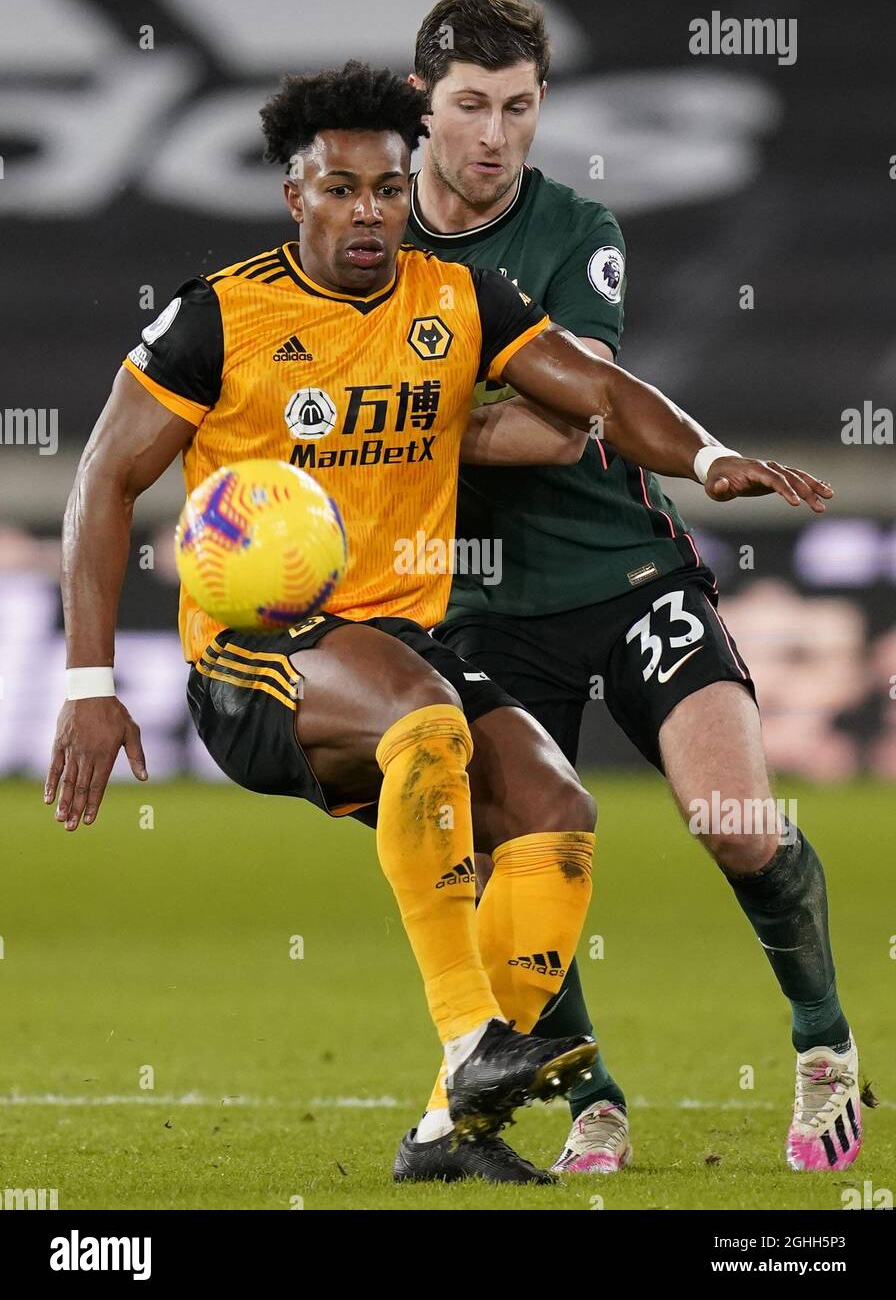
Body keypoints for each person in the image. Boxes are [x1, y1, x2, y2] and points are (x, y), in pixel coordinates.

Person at [45, 62, 833, 1181]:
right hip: (255, 660)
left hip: (396, 651)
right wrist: (87, 686)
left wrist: (706, 457)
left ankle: (442, 1132)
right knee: (426, 718)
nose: (365, 210)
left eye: (384, 186)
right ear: (293, 197)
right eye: (336, 189)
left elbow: (598, 397)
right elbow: (100, 483)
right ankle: (473, 1038)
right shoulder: (216, 317)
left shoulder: (457, 301)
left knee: (554, 806)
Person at [394, 0, 862, 1181]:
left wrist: (392, 418)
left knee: (735, 819)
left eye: (516, 107)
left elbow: (567, 423)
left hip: (629, 570)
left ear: (541, 105)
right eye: (467, 107)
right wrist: (472, 409)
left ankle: (822, 1044)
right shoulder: (372, 246)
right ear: (420, 104)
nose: (492, 137)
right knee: (521, 866)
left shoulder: (573, 226)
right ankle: (588, 1093)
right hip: (480, 609)